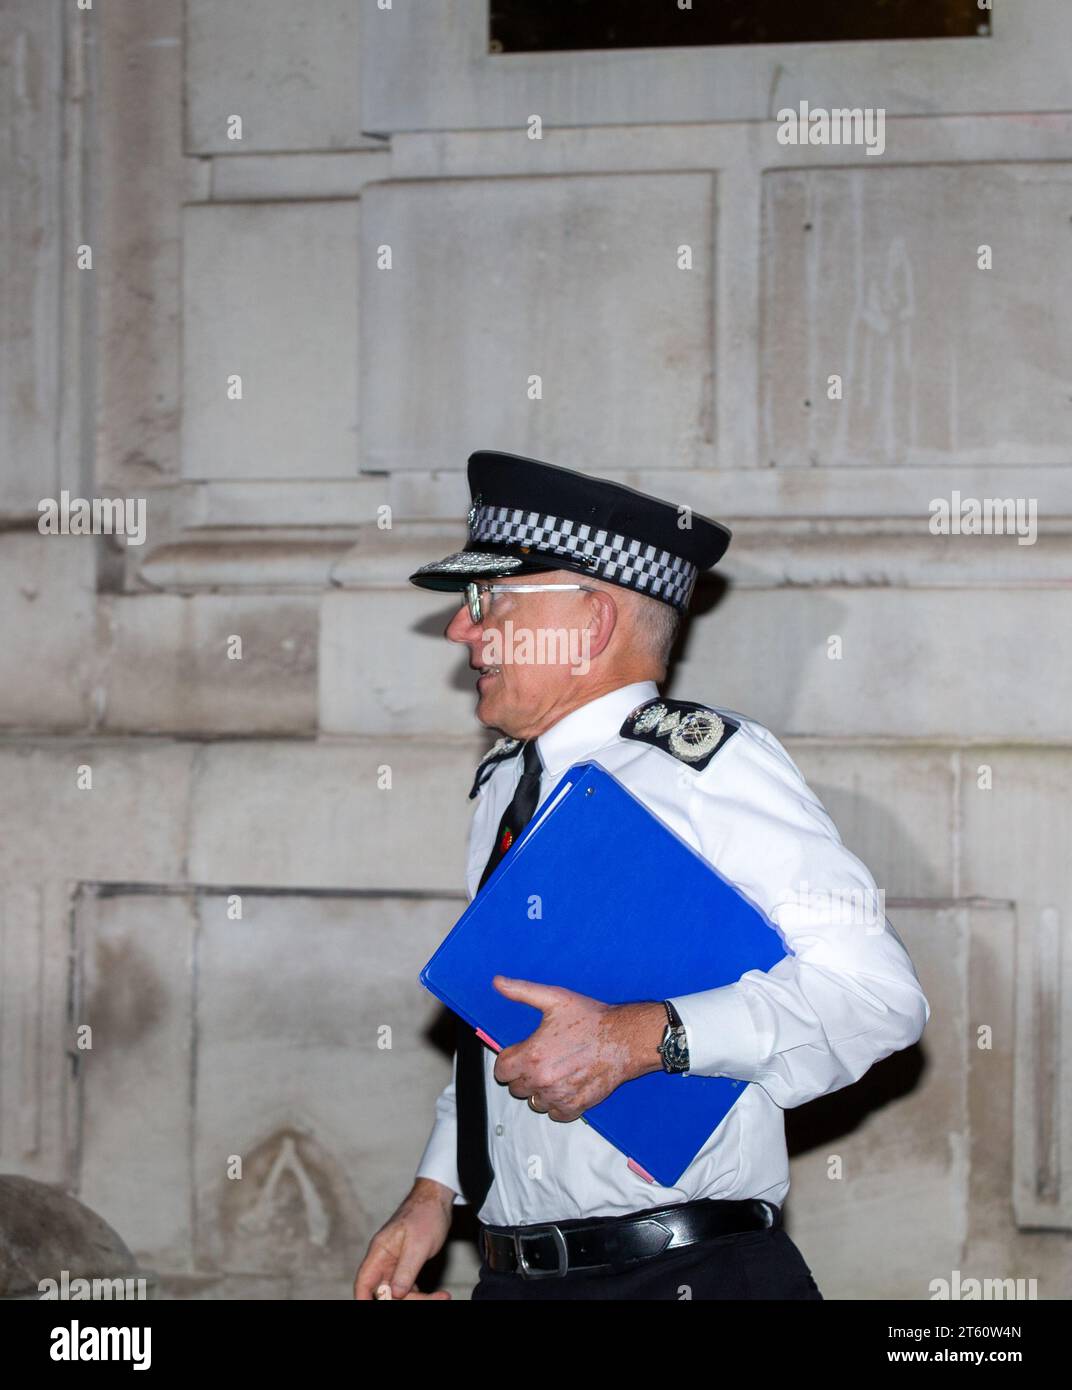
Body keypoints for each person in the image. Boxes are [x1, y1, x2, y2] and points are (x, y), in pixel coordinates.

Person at [353, 449, 930, 1301]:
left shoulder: (706, 770)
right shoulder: (505, 785)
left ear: (586, 624)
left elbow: (879, 1000)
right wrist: (437, 1192)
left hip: (684, 1276)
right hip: (514, 1276)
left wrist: (643, 1038)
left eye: (490, 601)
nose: (462, 630)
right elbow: (505, 1027)